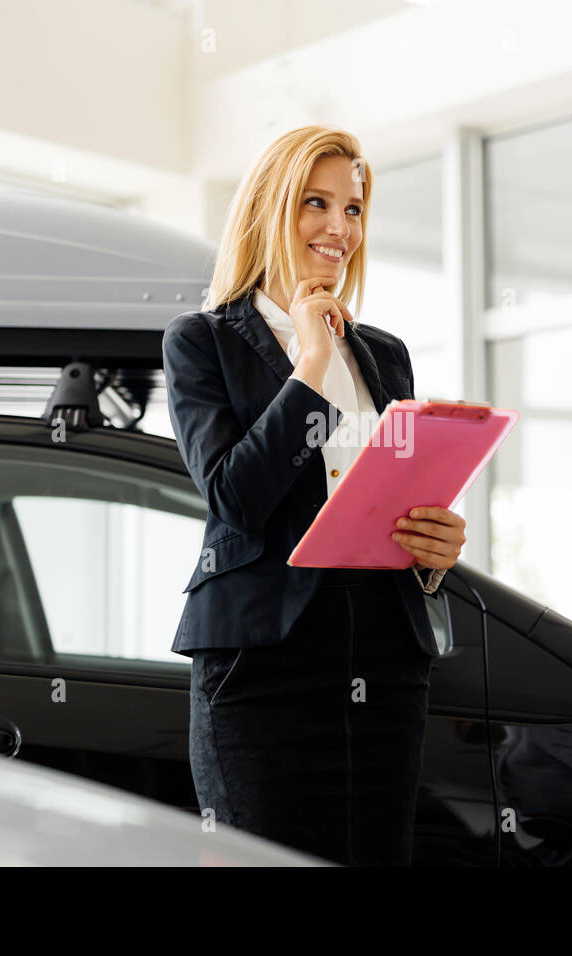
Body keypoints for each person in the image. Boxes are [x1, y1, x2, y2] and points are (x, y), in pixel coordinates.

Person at [162, 125, 467, 866]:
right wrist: (314, 361)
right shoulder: (202, 342)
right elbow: (237, 496)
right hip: (260, 677)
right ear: (269, 208)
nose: (340, 228)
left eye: (355, 209)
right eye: (316, 203)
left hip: (384, 670)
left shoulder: (386, 355)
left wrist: (434, 550)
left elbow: (392, 501)